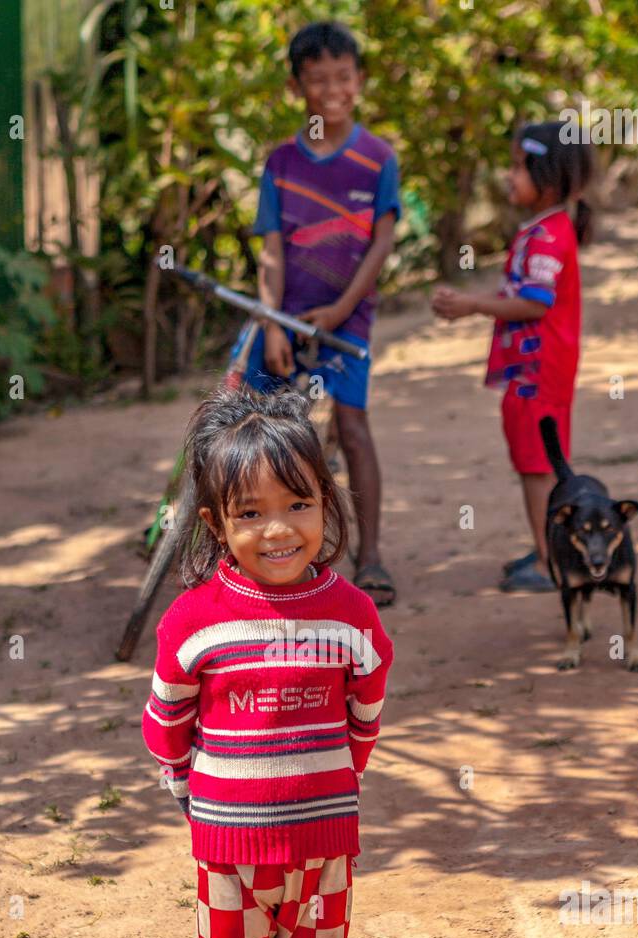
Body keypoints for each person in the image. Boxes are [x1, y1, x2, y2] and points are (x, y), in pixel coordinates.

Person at [141, 386, 394, 938]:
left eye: (299, 505)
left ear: (328, 503)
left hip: (327, 858)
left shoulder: (352, 617)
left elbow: (365, 718)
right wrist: (199, 797)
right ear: (216, 521)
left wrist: (328, 790)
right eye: (252, 513)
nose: (279, 529)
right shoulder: (195, 623)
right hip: (230, 865)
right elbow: (165, 725)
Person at [235, 19, 401, 606]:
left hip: (347, 320)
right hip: (287, 315)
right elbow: (272, 250)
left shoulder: (378, 160)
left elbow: (379, 246)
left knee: (352, 428)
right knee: (250, 428)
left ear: (360, 79)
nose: (333, 89)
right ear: (296, 88)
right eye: (317, 79)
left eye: (344, 76)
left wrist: (340, 309)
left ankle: (372, 556)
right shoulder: (281, 163)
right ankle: (252, 553)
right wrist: (272, 320)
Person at [432, 119, 593, 592]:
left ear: (549, 179)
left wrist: (472, 306)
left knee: (537, 468)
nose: (509, 176)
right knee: (538, 463)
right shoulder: (543, 229)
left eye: (520, 167)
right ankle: (548, 546)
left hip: (537, 375)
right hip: (536, 373)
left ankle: (551, 561)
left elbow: (534, 302)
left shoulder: (546, 236)